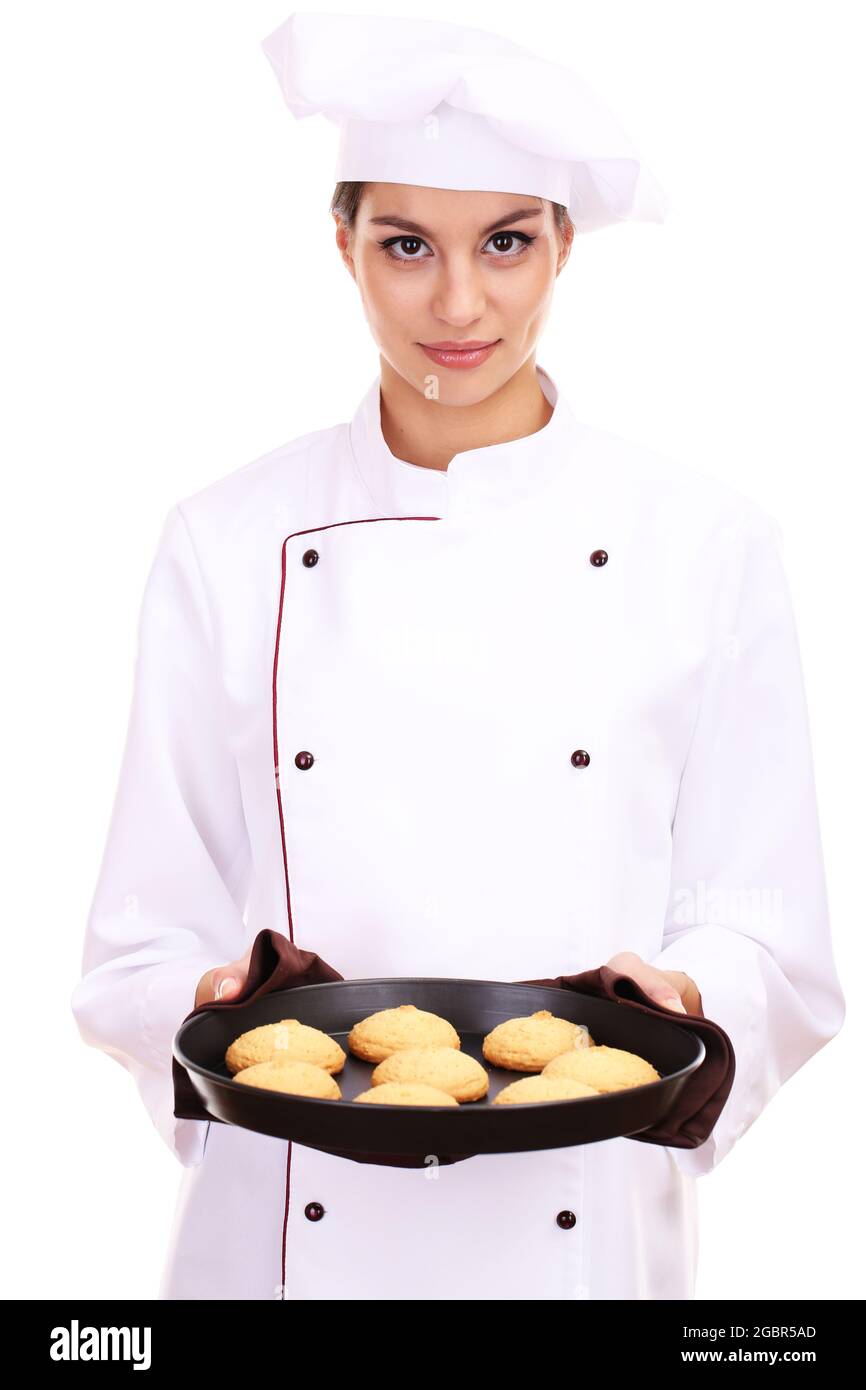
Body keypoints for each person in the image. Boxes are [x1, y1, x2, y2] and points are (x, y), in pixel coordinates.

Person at [70, 11, 845, 1300]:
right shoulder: (227, 541)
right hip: (281, 1241)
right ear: (343, 246)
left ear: (564, 247)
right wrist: (208, 994)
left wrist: (689, 989)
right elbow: (137, 936)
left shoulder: (704, 543)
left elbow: (775, 936)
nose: (459, 302)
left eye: (504, 242)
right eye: (407, 245)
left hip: (579, 1229)